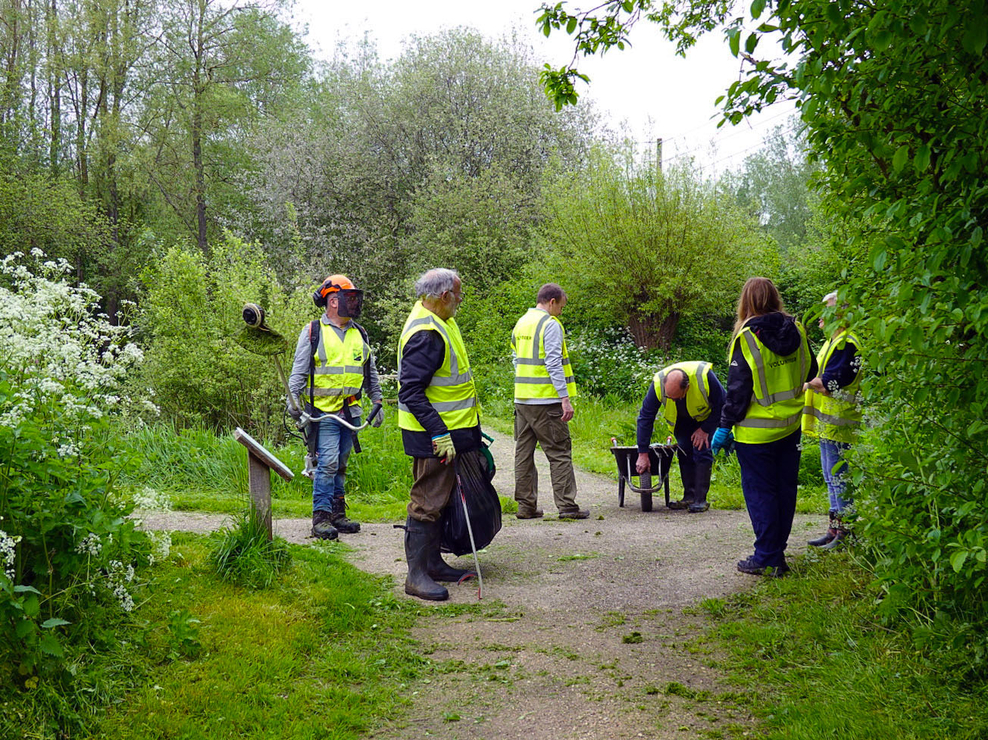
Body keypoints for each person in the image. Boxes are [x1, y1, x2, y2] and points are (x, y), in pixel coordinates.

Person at [711, 277, 817, 577]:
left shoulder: (747, 337)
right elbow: (812, 369)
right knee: (784, 491)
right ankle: (775, 552)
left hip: (755, 434)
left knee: (761, 494)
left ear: (745, 302)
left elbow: (738, 390)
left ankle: (767, 558)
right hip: (791, 426)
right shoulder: (797, 329)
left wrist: (724, 426)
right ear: (775, 298)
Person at [397, 268, 481, 601]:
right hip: (432, 435)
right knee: (427, 499)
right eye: (458, 296)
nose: (460, 301)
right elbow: (411, 391)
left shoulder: (441, 321)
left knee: (441, 497)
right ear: (444, 296)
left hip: (449, 431)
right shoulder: (426, 334)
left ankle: (432, 563)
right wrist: (438, 432)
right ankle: (416, 576)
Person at [288, 274, 383, 541]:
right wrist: (292, 400)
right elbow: (298, 372)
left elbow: (370, 372)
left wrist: (377, 401)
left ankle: (338, 514)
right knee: (327, 463)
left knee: (341, 463)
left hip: (351, 412)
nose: (354, 303)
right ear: (332, 301)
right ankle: (321, 517)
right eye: (348, 298)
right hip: (323, 412)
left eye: (355, 298)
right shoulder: (314, 331)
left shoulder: (359, 333)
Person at [510, 283, 588, 520]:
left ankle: (526, 506)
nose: (561, 312)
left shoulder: (522, 322)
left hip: (522, 399)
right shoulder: (550, 324)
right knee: (559, 452)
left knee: (523, 454)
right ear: (552, 301)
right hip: (546, 401)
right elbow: (553, 362)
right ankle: (567, 506)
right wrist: (564, 398)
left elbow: (516, 359)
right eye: (561, 307)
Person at [802, 290, 863, 549]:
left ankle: (845, 533)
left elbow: (830, 382)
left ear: (840, 314)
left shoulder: (846, 343)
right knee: (831, 478)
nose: (819, 317)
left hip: (841, 423)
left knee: (839, 479)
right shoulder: (834, 341)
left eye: (825, 311)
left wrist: (807, 384)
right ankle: (834, 530)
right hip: (830, 424)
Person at [635, 362, 725, 513]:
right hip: (681, 420)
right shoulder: (658, 384)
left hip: (704, 418)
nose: (672, 400)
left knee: (701, 450)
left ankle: (700, 500)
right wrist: (642, 453)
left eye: (676, 397)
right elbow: (645, 418)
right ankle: (689, 496)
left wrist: (705, 429)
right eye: (669, 397)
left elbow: (723, 403)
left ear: (687, 388)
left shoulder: (704, 377)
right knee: (684, 450)